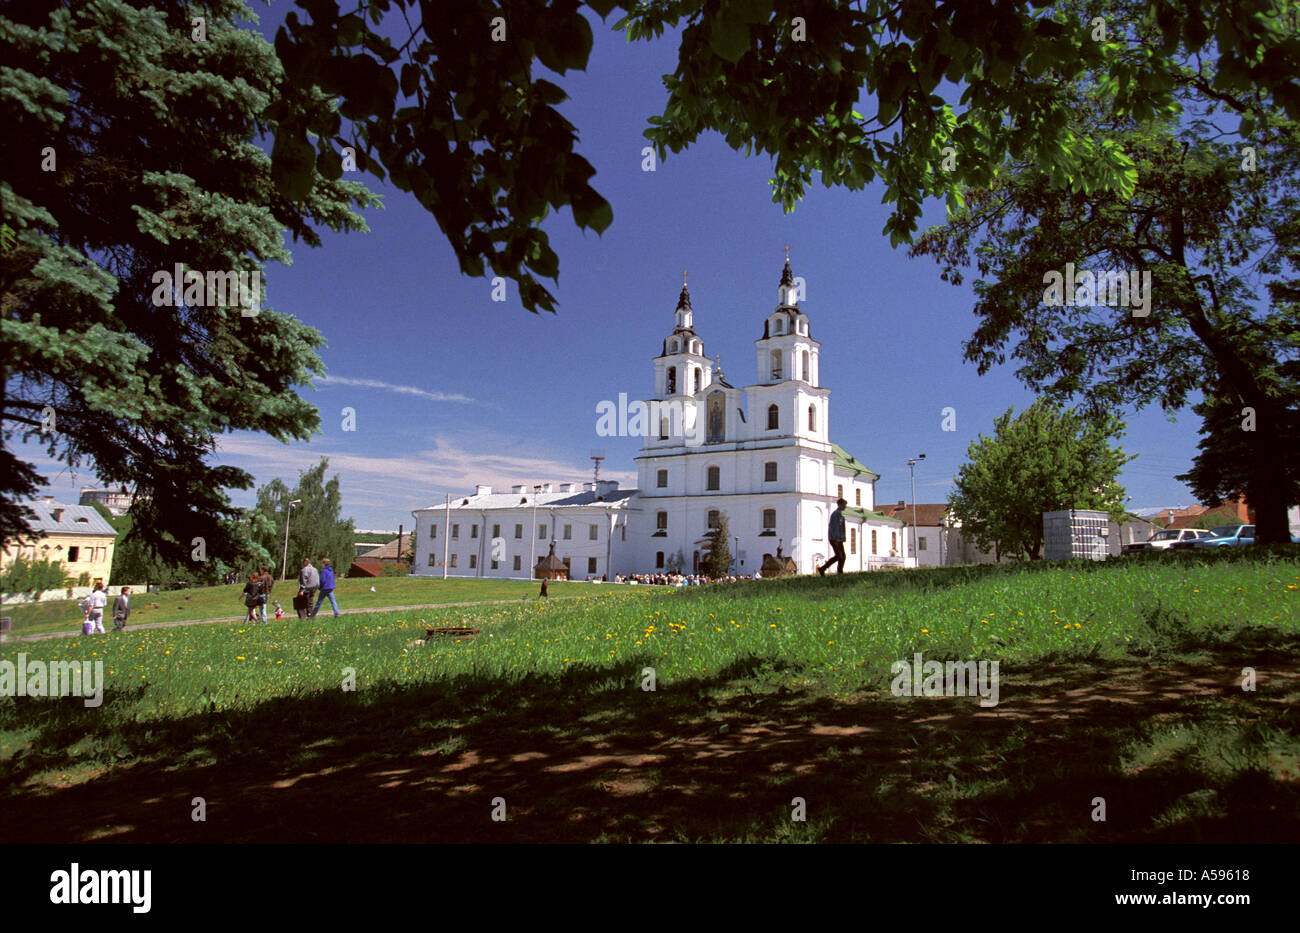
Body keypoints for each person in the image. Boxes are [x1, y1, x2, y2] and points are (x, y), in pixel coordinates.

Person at [818, 498, 849, 576]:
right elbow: (834, 527)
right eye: (844, 505)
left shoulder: (841, 515)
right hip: (835, 539)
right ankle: (825, 569)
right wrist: (835, 539)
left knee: (842, 556)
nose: (845, 507)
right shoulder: (835, 514)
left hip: (839, 539)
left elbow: (842, 528)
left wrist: (843, 538)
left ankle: (825, 569)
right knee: (839, 556)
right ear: (840, 505)